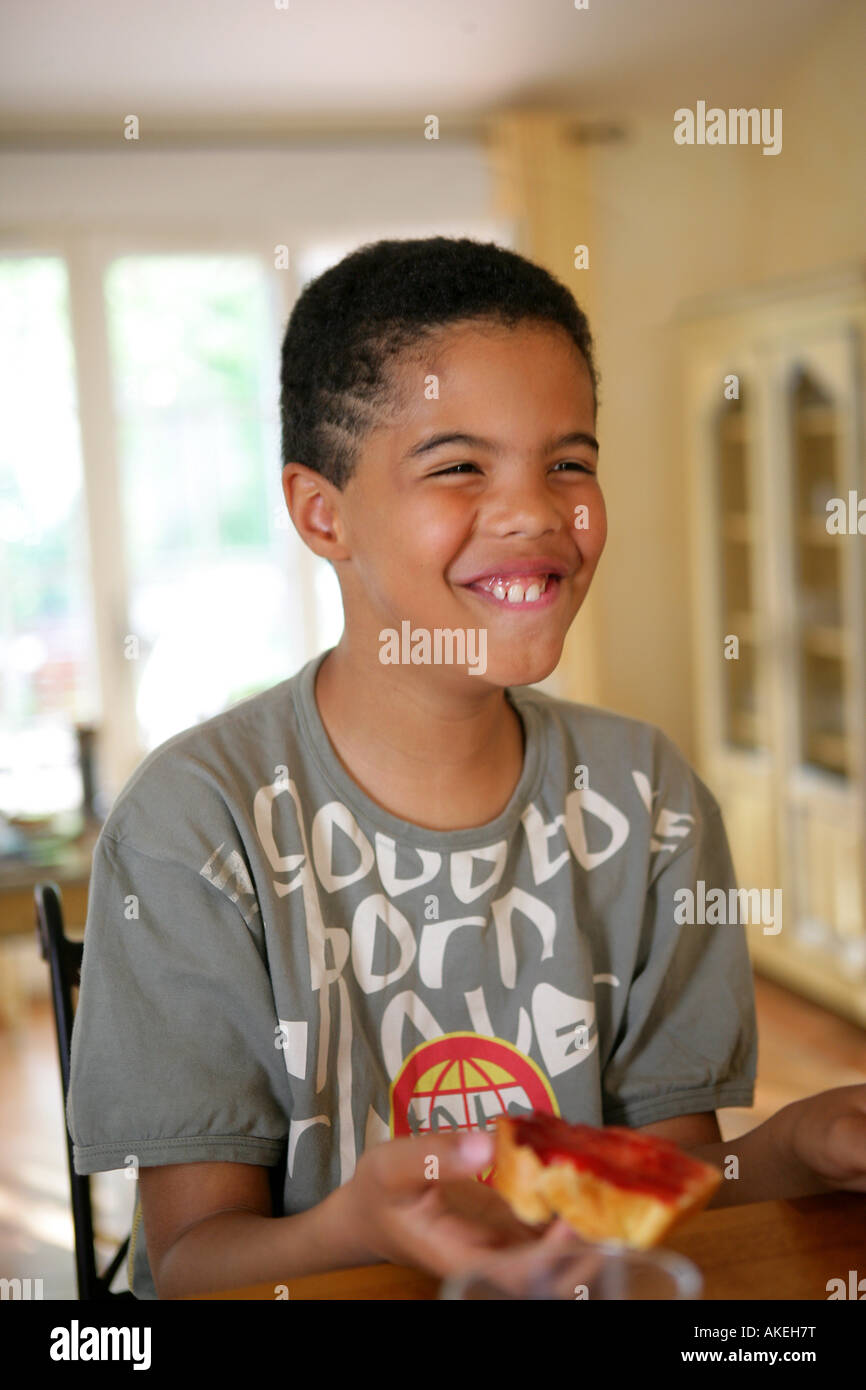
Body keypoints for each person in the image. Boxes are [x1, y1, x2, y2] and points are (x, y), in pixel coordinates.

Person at [67, 236, 866, 1300]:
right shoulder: (196, 821)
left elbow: (664, 1192)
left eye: (568, 461)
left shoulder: (650, 799)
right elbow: (197, 1268)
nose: (535, 512)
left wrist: (798, 1148)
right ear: (321, 511)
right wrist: (353, 1227)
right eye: (456, 466)